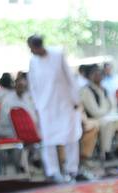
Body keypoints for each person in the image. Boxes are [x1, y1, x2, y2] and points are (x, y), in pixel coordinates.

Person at [27, 35, 88, 183]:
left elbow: (70, 78)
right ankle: (53, 171)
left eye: (33, 48)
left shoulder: (57, 54)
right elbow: (33, 85)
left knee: (71, 137)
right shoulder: (33, 62)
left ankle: (72, 170)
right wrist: (36, 106)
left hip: (65, 104)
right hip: (45, 107)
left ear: (39, 46)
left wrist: (75, 100)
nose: (32, 51)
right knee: (48, 140)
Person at [81, 64, 118, 170]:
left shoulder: (105, 89)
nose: (99, 76)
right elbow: (95, 112)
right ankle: (106, 152)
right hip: (96, 120)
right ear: (90, 76)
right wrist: (108, 111)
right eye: (96, 74)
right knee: (107, 122)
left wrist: (110, 111)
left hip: (110, 116)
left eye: (100, 74)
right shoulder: (86, 91)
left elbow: (113, 106)